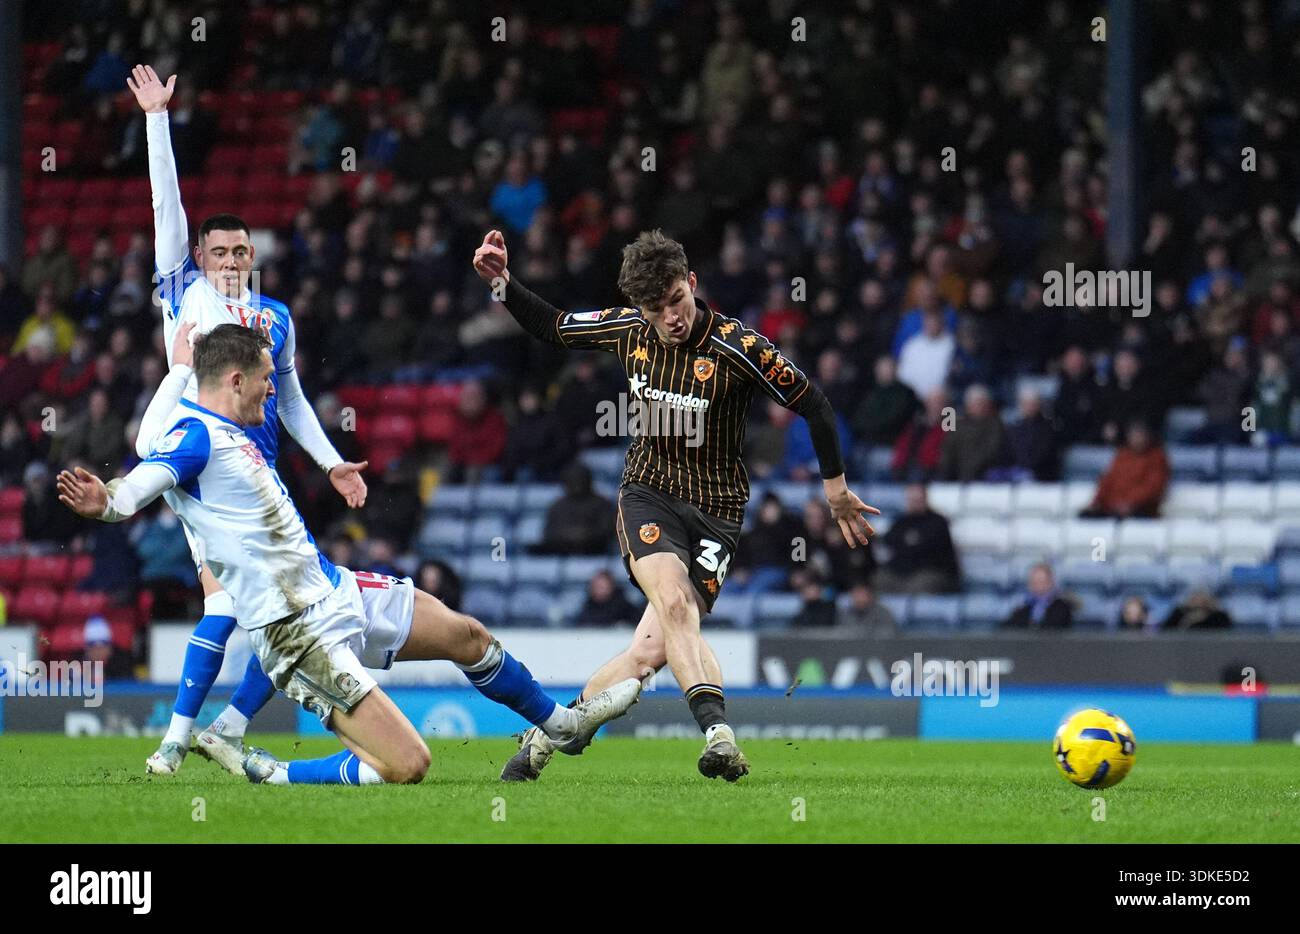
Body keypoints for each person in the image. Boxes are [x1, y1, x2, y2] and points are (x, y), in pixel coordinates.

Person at [58, 324, 640, 786]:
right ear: (235, 380)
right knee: (409, 765)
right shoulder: (197, 439)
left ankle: (560, 726)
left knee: (468, 637)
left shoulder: (199, 425)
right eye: (265, 378)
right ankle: (273, 773)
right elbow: (137, 486)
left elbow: (147, 435)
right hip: (296, 633)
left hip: (333, 587)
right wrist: (107, 501)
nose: (273, 389)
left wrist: (181, 363)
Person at [475, 227, 878, 782]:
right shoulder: (627, 331)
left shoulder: (739, 348)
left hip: (717, 511)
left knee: (646, 655)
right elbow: (554, 325)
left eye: (676, 301)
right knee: (676, 605)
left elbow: (815, 404)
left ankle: (544, 742)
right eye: (655, 308)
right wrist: (503, 284)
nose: (670, 318)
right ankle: (718, 735)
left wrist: (834, 488)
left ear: (692, 283)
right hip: (650, 494)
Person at [127, 65, 369, 777]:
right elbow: (163, 204)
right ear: (200, 258)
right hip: (199, 461)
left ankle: (203, 734)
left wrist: (330, 462)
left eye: (241, 251)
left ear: (253, 257)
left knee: (281, 606)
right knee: (241, 601)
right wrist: (156, 121)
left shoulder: (275, 318)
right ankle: (189, 737)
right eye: (219, 251)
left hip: (256, 476)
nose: (230, 261)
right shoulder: (184, 290)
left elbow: (291, 402)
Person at [874, 484, 960, 594]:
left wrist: (908, 545)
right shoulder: (901, 522)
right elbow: (889, 542)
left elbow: (931, 550)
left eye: (917, 500)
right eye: (911, 500)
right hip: (902, 572)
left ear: (925, 499)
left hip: (931, 571)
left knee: (920, 585)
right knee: (880, 579)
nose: (914, 503)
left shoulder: (938, 522)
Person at [1080, 421, 1170, 519]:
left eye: (1140, 435)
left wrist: (1129, 503)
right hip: (1113, 507)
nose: (1136, 439)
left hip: (1141, 509)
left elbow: (1153, 488)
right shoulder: (1122, 455)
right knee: (1087, 515)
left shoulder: (1157, 457)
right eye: (1134, 435)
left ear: (1148, 437)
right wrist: (1097, 502)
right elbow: (1108, 480)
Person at [1001, 564, 1073, 629]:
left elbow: (1055, 628)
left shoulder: (1062, 607)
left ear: (1051, 582)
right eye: (1034, 582)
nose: (1037, 586)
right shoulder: (1023, 609)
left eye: (1041, 581)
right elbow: (1007, 628)